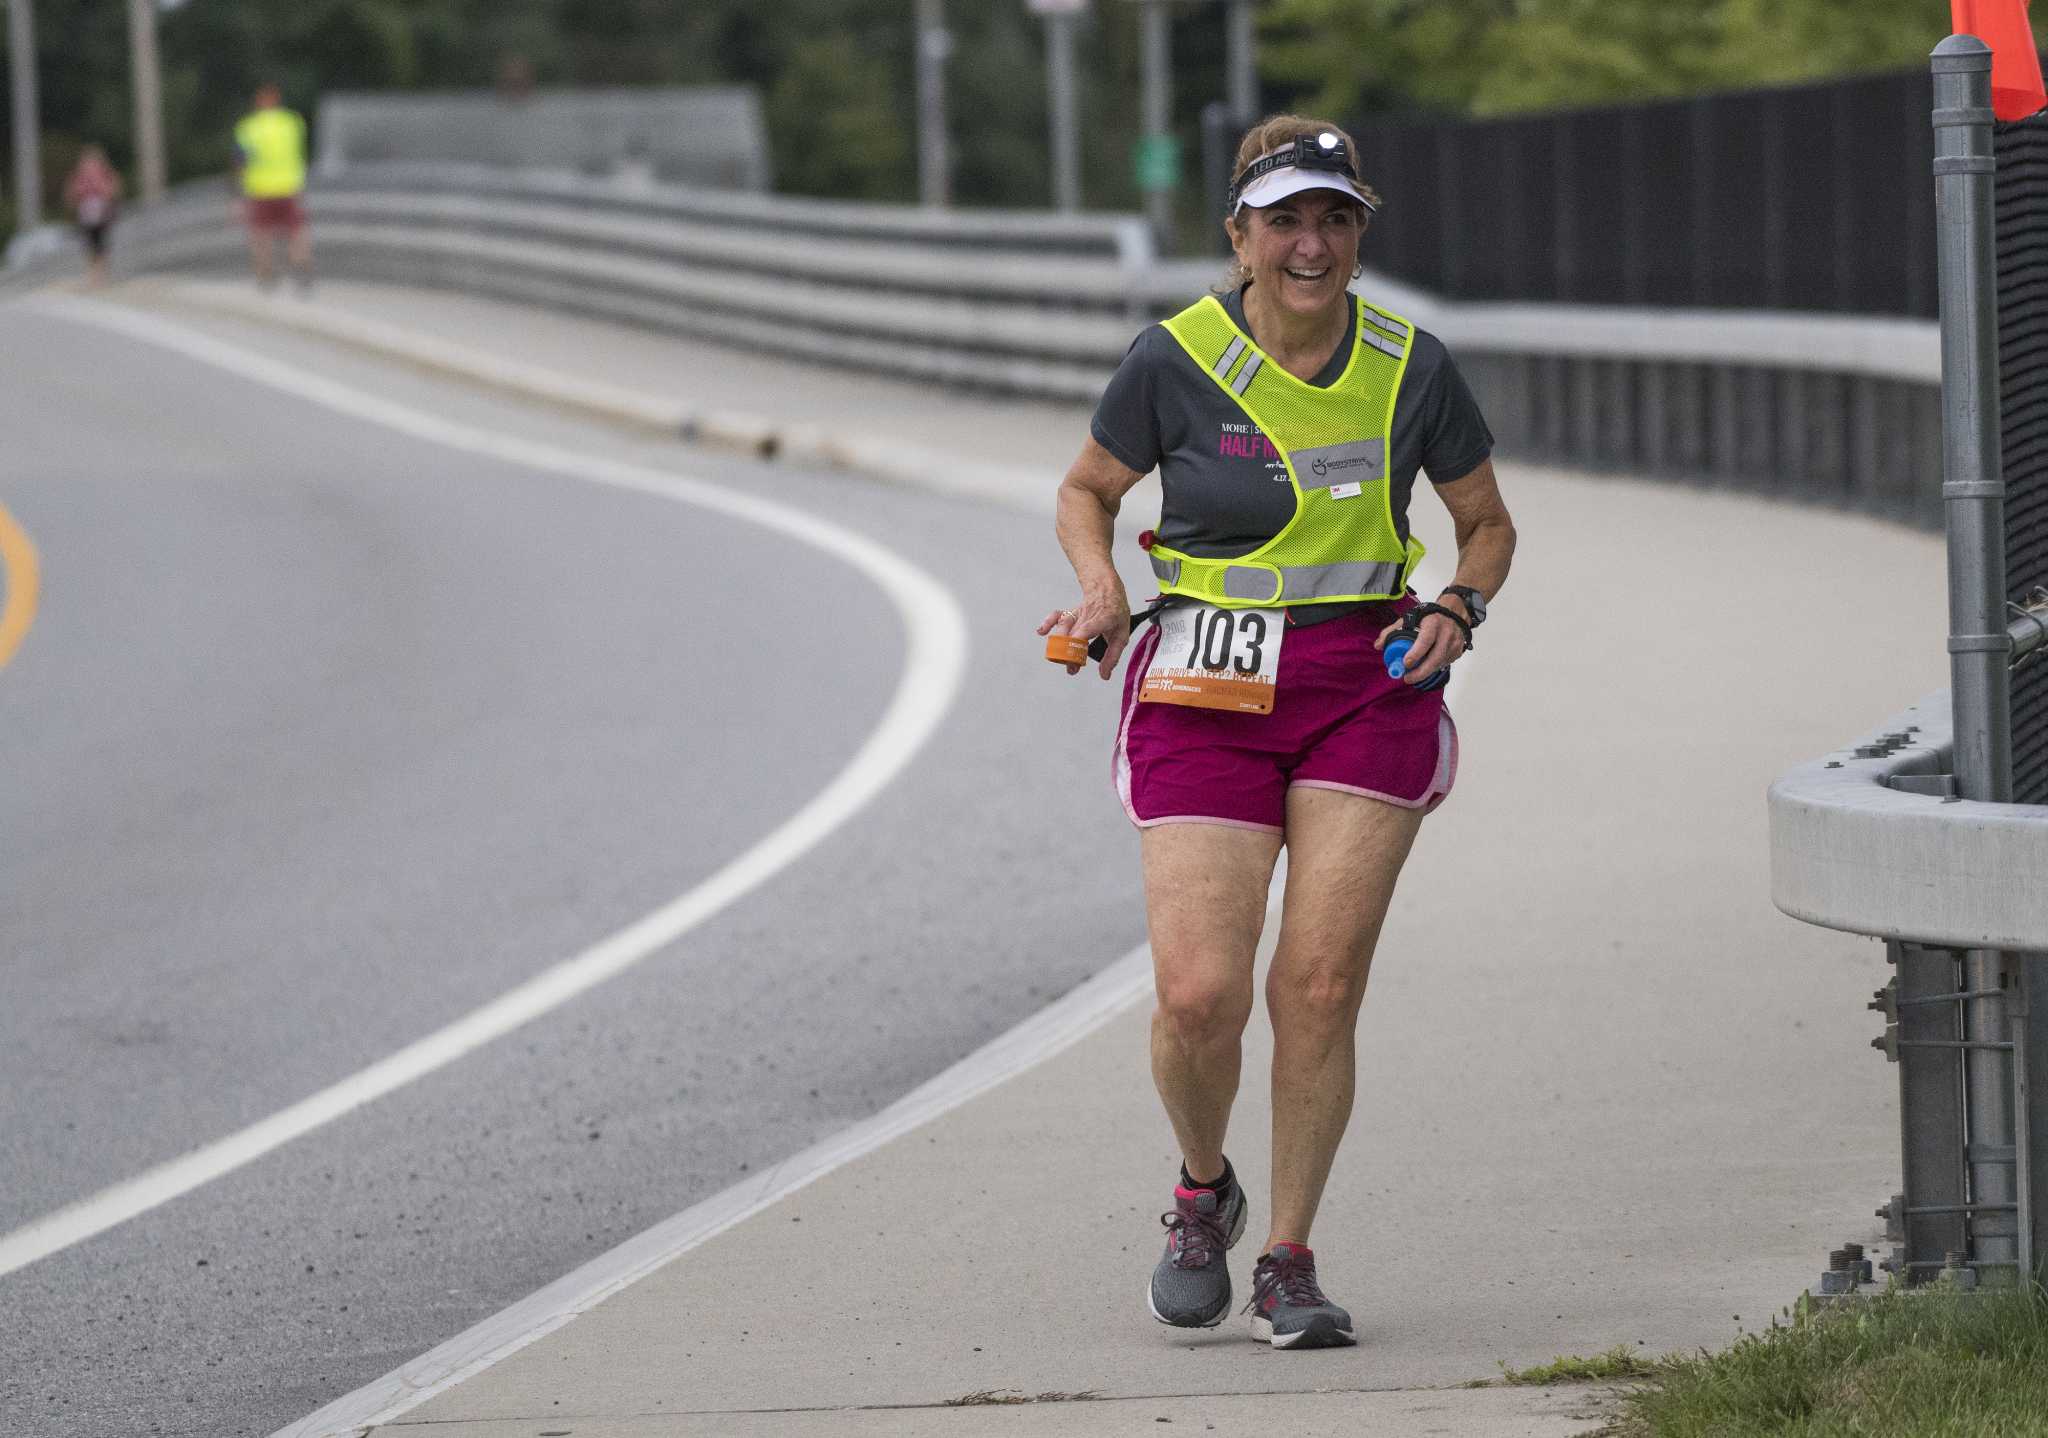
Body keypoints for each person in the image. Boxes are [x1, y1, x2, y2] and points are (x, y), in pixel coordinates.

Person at [1039, 114, 1516, 1350]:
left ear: (1358, 233)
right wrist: (1099, 588)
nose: (1310, 243)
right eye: (1285, 219)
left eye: (1334, 218)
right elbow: (1088, 487)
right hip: (1205, 683)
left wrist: (1460, 604)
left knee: (1317, 983)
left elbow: (1487, 524)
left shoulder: (1413, 364)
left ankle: (1289, 1261)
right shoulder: (1173, 358)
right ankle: (1203, 1192)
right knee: (1199, 994)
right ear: (1239, 234)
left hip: (1363, 683)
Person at [233, 83, 314, 292]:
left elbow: (241, 160)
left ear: (258, 102)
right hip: (289, 186)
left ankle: (266, 274)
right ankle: (301, 267)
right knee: (296, 231)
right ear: (277, 99)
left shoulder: (248, 127)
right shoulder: (292, 122)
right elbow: (301, 151)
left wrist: (238, 190)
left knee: (262, 233)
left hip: (260, 188)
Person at [63, 146, 123, 287]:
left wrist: (109, 200)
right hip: (86, 215)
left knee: (101, 243)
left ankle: (100, 274)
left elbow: (114, 190)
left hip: (101, 214)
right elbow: (72, 192)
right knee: (90, 244)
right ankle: (93, 274)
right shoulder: (80, 177)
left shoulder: (104, 175)